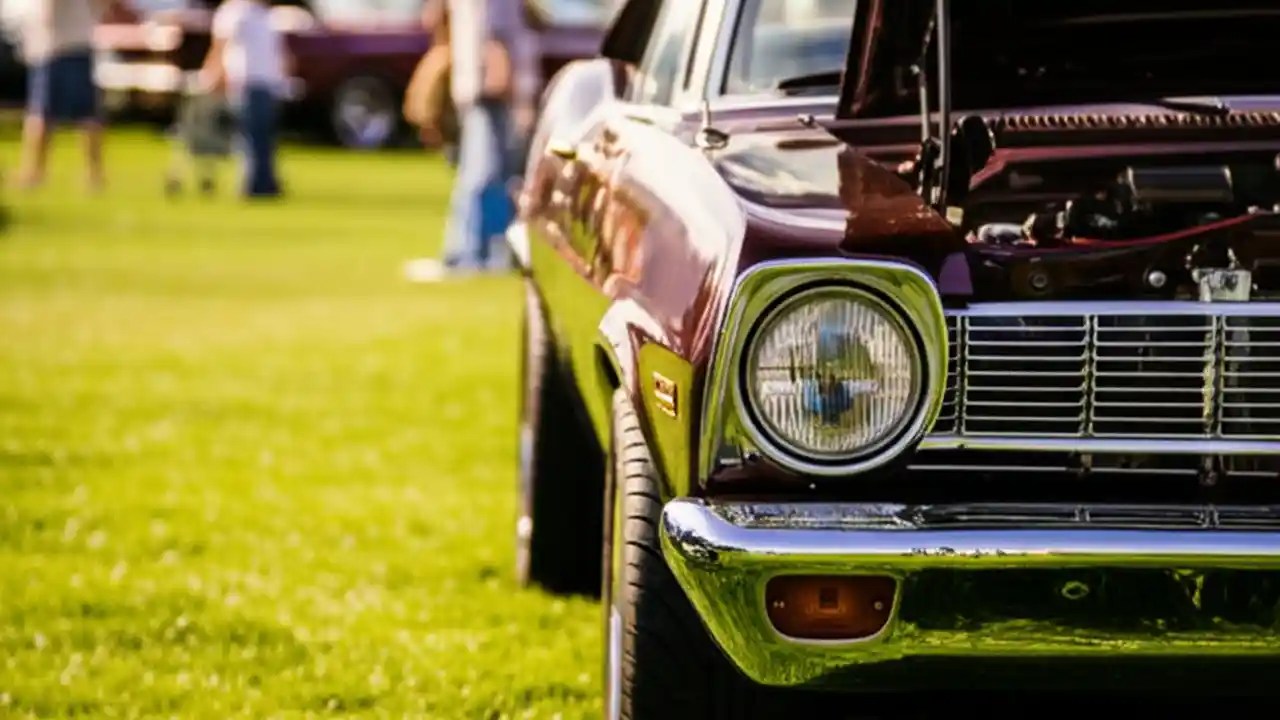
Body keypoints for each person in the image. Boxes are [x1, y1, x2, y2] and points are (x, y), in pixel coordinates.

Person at [405, 0, 539, 282]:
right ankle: (485, 252)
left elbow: (496, 35)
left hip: (490, 90)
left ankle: (474, 253)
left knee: (484, 175)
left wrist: (502, 86)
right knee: (488, 173)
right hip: (483, 88)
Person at [15, 0, 118, 191]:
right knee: (83, 113)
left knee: (42, 113)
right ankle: (93, 175)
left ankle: (35, 173)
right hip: (61, 43)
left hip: (58, 45)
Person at [200, 0, 289, 198]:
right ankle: (253, 184)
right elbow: (220, 47)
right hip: (245, 82)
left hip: (267, 83)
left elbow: (278, 52)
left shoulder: (265, 15)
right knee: (250, 136)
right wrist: (213, 74)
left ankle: (266, 183)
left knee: (263, 137)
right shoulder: (234, 13)